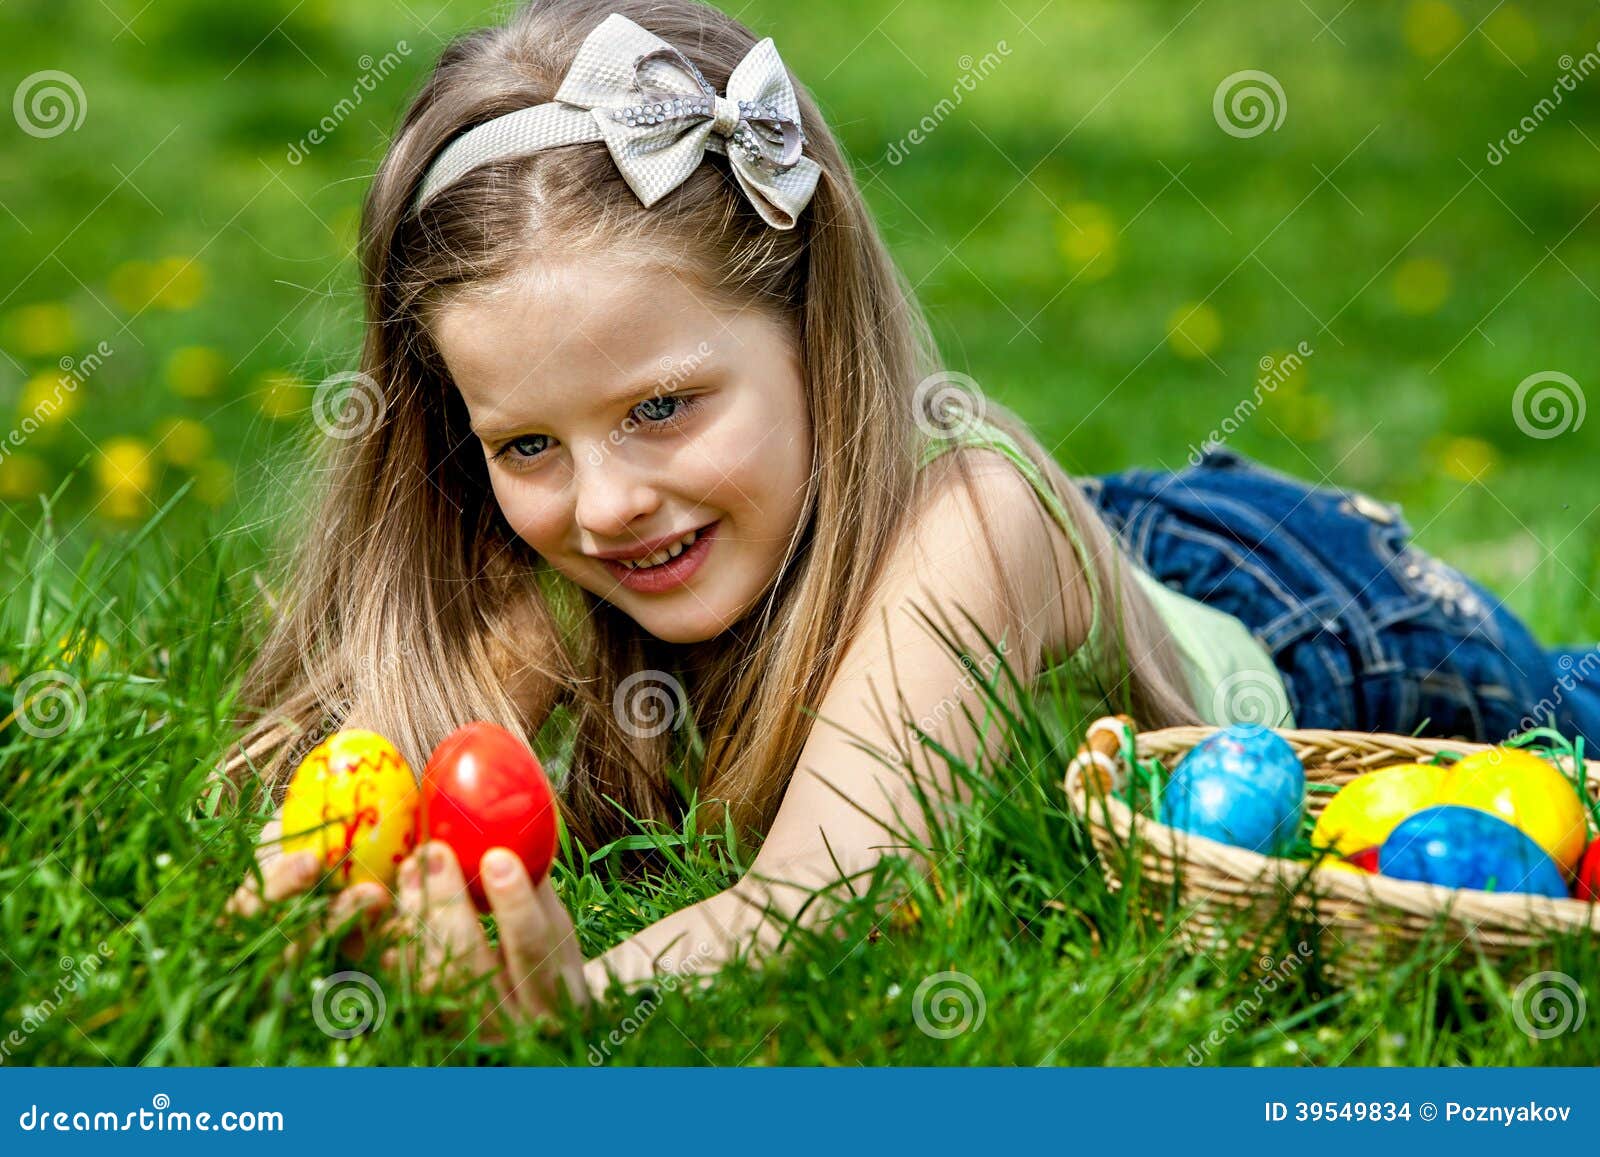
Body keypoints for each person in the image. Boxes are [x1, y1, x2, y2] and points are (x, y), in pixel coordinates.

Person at [222, 0, 1600, 1034]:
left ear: (815, 336)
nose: (604, 500)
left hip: (1335, 629)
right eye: (527, 442)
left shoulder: (979, 518)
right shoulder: (567, 552)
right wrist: (339, 890)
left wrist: (576, 992)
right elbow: (381, 771)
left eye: (662, 408)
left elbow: (834, 894)